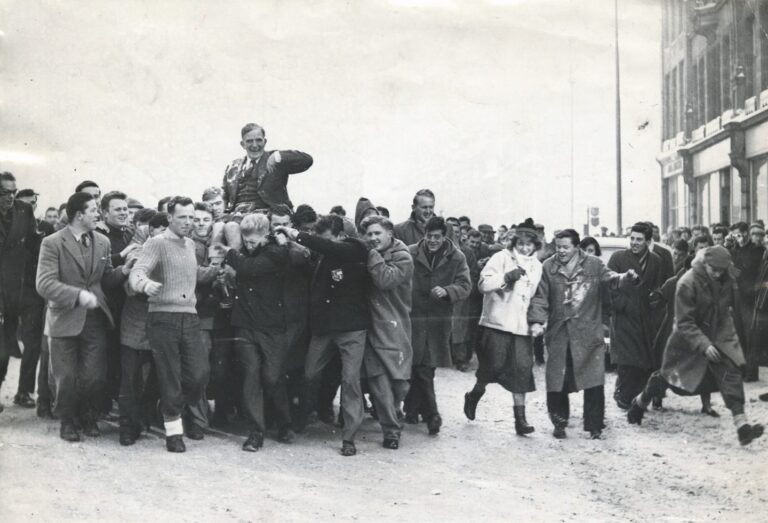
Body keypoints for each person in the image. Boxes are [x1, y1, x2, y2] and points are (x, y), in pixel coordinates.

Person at [627, 246, 764, 446]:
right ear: (705, 264)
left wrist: (728, 341)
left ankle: (742, 426)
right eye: (713, 269)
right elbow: (684, 322)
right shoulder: (687, 283)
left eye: (721, 270)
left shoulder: (727, 279)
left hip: (718, 335)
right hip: (686, 340)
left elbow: (727, 310)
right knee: (667, 379)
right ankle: (639, 402)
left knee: (731, 373)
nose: (717, 274)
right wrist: (703, 344)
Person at [36, 192, 133, 441]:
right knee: (65, 377)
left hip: (95, 319)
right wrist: (77, 295)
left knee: (94, 377)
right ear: (79, 215)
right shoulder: (52, 243)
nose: (97, 215)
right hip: (64, 318)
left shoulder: (102, 242)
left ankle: (89, 416)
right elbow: (44, 284)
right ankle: (67, 421)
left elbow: (106, 278)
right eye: (93, 211)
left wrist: (124, 270)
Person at [528, 229, 638, 440]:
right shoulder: (548, 267)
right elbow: (541, 299)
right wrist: (536, 321)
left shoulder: (594, 264)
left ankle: (594, 426)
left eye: (565, 247)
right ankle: (559, 421)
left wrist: (626, 278)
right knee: (557, 378)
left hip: (588, 332)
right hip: (559, 333)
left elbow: (612, 280)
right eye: (558, 246)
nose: (560, 251)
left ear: (576, 247)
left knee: (593, 379)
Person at [129, 196, 217, 453]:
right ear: (169, 218)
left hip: (190, 317)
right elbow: (137, 272)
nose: (188, 222)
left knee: (199, 373)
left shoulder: (190, 244)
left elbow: (192, 273)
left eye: (192, 217)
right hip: (163, 317)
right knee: (170, 378)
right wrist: (146, 285)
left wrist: (215, 268)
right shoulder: (156, 243)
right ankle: (173, 433)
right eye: (183, 217)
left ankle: (162, 406)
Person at [277, 214, 370, 456]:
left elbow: (325, 247)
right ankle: (303, 416)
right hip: (325, 328)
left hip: (351, 328)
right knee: (309, 374)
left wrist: (295, 234)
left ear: (341, 236)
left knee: (350, 381)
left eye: (327, 239)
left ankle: (349, 437)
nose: (323, 243)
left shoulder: (355, 248)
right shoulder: (321, 252)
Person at [221, 213, 296, 452]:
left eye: (254, 241)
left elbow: (248, 267)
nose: (249, 244)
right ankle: (256, 432)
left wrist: (232, 252)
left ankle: (285, 422)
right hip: (245, 325)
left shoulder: (277, 253)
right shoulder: (247, 249)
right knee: (250, 376)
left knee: (272, 377)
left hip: (272, 327)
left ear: (266, 236)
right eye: (246, 240)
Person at [464, 219, 542, 436]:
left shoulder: (538, 266)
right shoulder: (501, 258)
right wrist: (506, 277)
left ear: (536, 245)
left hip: (521, 328)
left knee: (522, 371)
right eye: (521, 243)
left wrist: (536, 320)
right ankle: (474, 395)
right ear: (514, 242)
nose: (525, 248)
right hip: (496, 323)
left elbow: (538, 296)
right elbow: (483, 285)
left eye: (530, 244)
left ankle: (520, 420)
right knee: (491, 368)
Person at [404, 217, 471, 435]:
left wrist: (448, 291)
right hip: (413, 317)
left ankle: (431, 414)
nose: (432, 241)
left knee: (426, 366)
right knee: (417, 366)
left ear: (445, 236)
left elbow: (465, 285)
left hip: (437, 320)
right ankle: (414, 409)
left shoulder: (456, 257)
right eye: (429, 236)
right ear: (424, 234)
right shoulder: (411, 252)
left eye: (437, 237)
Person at [361, 215, 414, 449]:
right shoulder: (368, 254)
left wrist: (370, 254)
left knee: (399, 382)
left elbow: (386, 279)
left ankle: (394, 410)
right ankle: (391, 430)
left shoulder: (403, 257)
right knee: (378, 381)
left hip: (395, 327)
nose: (372, 239)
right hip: (371, 326)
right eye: (369, 235)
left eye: (377, 234)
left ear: (389, 234)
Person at [220, 123, 313, 246]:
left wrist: (278, 156)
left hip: (268, 214)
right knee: (224, 227)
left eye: (259, 140)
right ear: (243, 144)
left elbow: (307, 160)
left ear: (265, 141)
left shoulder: (275, 159)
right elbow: (224, 195)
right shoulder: (233, 166)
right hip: (238, 215)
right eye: (249, 141)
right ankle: (236, 262)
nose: (254, 145)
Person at [607, 223, 665, 410]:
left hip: (645, 318)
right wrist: (622, 305)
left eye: (639, 239)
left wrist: (655, 298)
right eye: (632, 238)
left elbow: (659, 285)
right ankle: (622, 395)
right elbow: (609, 286)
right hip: (623, 317)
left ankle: (634, 397)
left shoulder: (655, 260)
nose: (634, 243)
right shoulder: (618, 258)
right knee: (626, 359)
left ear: (648, 241)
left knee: (642, 361)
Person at [0, 173, 43, 412]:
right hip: (1, 289)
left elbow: (35, 244)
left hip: (25, 287)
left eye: (12, 192)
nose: (10, 197)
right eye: (4, 193)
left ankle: (25, 391)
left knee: (32, 341)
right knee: (2, 344)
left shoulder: (24, 211)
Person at [97, 191, 139, 417]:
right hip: (108, 305)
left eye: (125, 209)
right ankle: (102, 407)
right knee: (108, 357)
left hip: (127, 307)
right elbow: (99, 267)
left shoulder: (128, 233)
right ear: (104, 213)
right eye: (118, 209)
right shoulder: (99, 235)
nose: (123, 213)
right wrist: (123, 256)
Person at [729, 221, 765, 382]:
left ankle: (751, 372)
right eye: (737, 235)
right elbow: (731, 272)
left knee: (751, 335)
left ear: (746, 233)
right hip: (736, 296)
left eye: (742, 234)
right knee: (739, 334)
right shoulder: (733, 251)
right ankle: (742, 370)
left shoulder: (758, 251)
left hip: (752, 298)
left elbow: (760, 273)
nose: (740, 237)